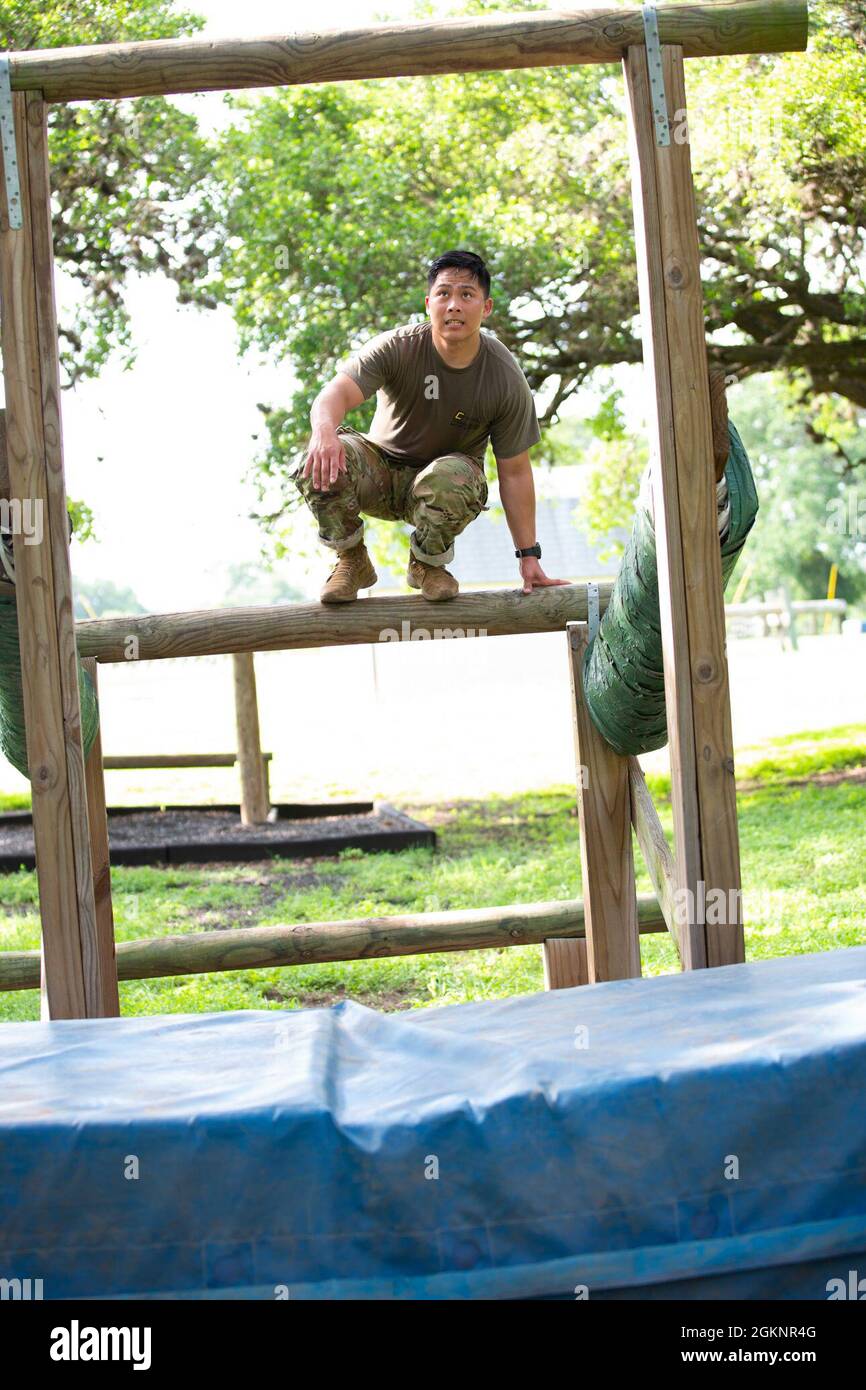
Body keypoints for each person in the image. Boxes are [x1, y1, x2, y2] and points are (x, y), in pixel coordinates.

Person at [291, 249, 570, 603]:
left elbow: (514, 473)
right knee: (317, 457)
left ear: (486, 308)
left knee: (452, 474)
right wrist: (324, 433)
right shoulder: (397, 346)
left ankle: (427, 564)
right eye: (444, 294)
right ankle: (352, 560)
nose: (453, 305)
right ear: (428, 303)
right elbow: (335, 395)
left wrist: (528, 556)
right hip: (380, 473)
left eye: (466, 295)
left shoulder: (503, 375)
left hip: (444, 488)